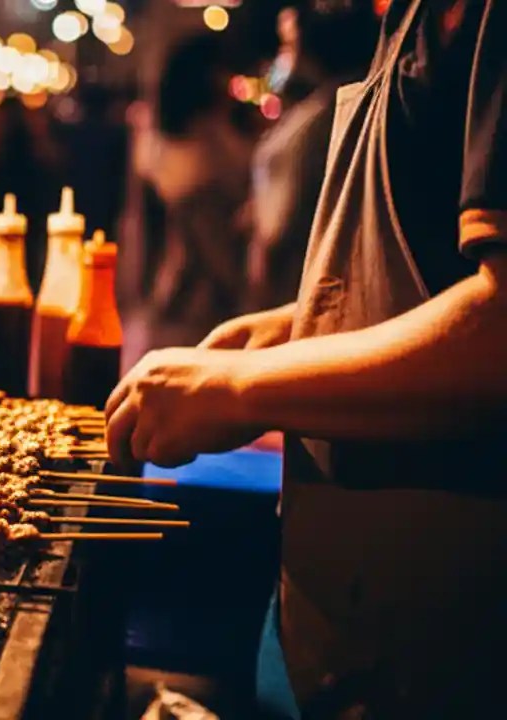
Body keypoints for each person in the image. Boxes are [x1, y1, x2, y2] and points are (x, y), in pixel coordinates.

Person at [105, 0, 506, 716]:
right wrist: (283, 335)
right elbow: (420, 285)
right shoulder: (409, 22)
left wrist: (241, 387)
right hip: (341, 606)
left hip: (449, 634)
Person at [118, 34, 254, 371]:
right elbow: (221, 261)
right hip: (195, 320)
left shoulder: (155, 148)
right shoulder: (209, 163)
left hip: (156, 314)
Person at [246, 1, 378, 312]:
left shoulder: (327, 116)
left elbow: (282, 222)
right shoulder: (320, 109)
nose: (283, 57)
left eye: (289, 44)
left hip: (299, 284)